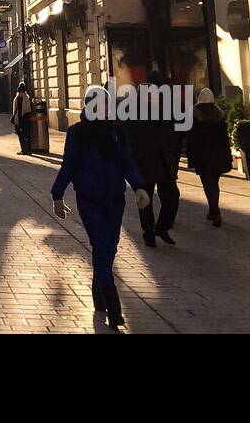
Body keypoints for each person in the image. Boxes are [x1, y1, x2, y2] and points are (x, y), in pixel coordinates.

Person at [50, 91, 151, 330]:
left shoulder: (116, 131)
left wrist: (139, 187)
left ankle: (98, 292)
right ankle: (114, 306)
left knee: (109, 247)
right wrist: (57, 194)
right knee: (102, 246)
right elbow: (69, 165)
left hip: (116, 200)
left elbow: (128, 163)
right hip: (89, 200)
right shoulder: (77, 133)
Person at [127, 69, 182, 246]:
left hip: (164, 160)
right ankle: (149, 232)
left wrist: (174, 151)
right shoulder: (134, 107)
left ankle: (161, 228)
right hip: (144, 160)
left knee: (172, 198)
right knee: (145, 198)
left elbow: (176, 131)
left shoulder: (167, 106)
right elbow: (128, 135)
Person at [184, 87, 231, 227]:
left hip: (202, 156)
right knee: (214, 183)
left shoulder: (195, 116)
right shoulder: (219, 116)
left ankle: (215, 211)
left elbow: (191, 138)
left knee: (208, 183)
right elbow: (225, 139)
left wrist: (189, 154)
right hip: (218, 156)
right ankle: (213, 210)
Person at [11, 82, 33, 156]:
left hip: (20, 118)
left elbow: (15, 109)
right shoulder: (26, 97)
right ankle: (28, 150)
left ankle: (24, 149)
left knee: (21, 135)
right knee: (27, 135)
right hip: (25, 118)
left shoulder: (18, 98)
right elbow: (28, 109)